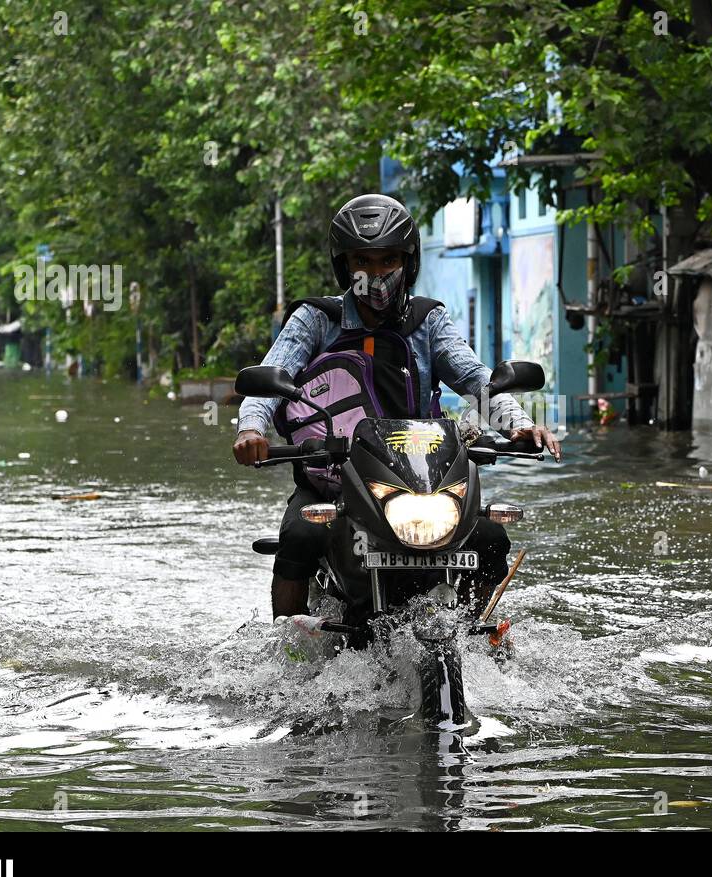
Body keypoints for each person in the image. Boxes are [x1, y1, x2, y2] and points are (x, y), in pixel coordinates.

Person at [233, 193, 560, 620]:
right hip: (335, 476)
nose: (376, 273)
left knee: (490, 536)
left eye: (388, 260)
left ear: (408, 263)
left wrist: (518, 423)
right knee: (299, 534)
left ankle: (474, 636)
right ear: (344, 266)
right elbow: (272, 376)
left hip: (424, 480)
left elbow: (475, 379)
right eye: (362, 262)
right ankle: (286, 648)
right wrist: (251, 427)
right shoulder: (315, 320)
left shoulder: (428, 321)